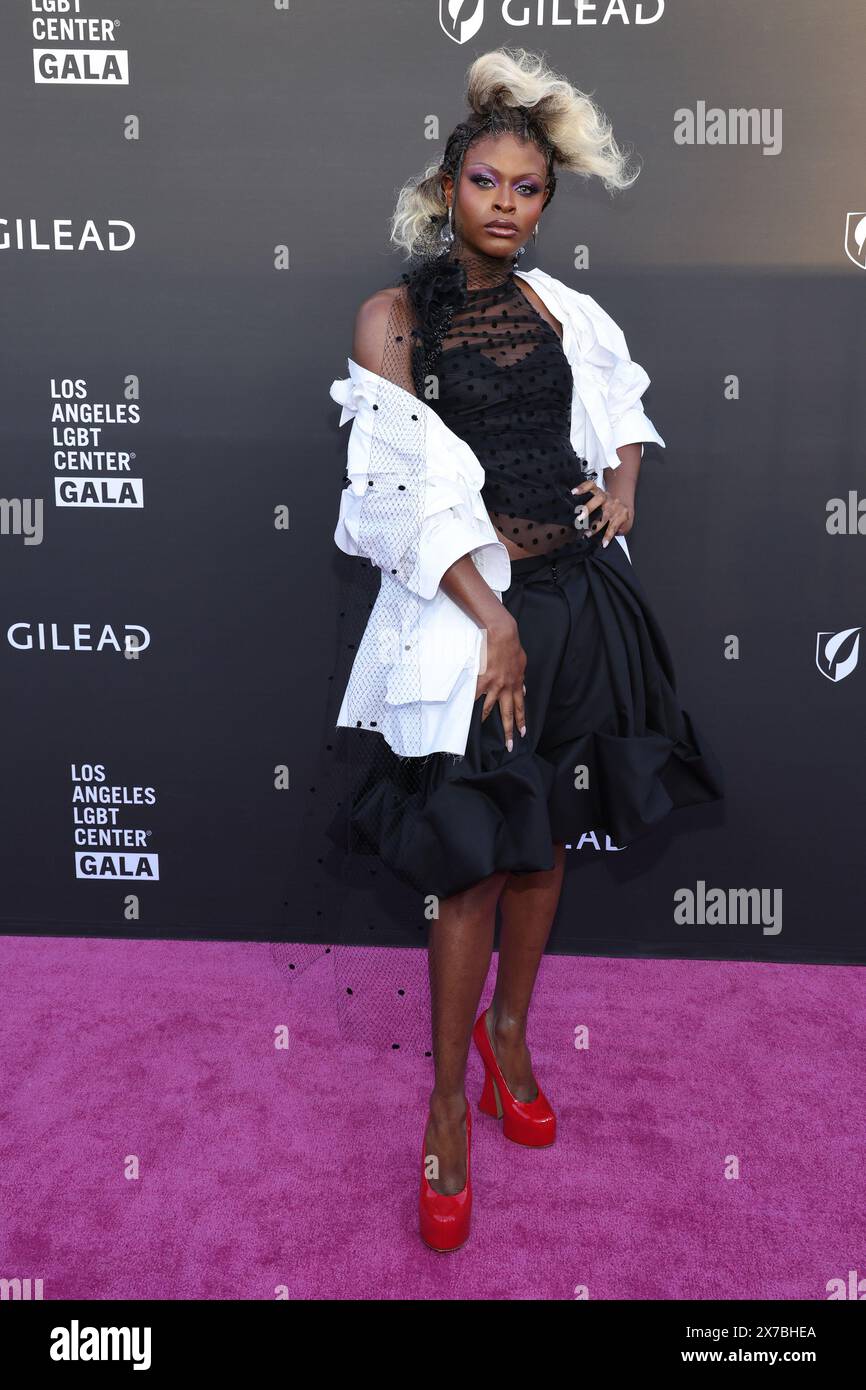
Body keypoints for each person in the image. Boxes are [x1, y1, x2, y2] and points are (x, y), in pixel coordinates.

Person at [324, 47, 724, 1252]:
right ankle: (446, 1105)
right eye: (484, 181)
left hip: (574, 606)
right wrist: (489, 620)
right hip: (468, 620)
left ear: (545, 202)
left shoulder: (568, 311)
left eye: (527, 188)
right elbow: (387, 498)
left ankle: (510, 1036)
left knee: (542, 841)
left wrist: (624, 485)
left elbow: (623, 404)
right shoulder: (393, 317)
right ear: (446, 185)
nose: (505, 203)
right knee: (473, 862)